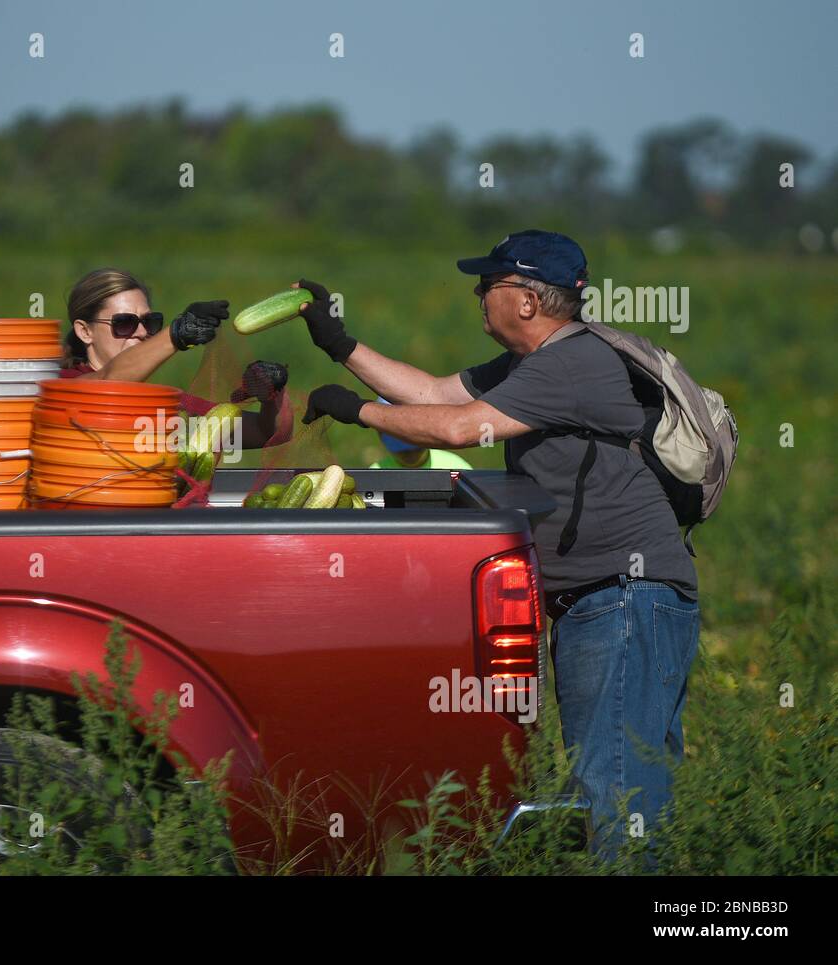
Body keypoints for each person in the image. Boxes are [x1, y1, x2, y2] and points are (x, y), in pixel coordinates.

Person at [297, 231, 699, 861]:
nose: (479, 296)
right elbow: (432, 393)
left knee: (618, 798)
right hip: (603, 599)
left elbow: (461, 427)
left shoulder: (572, 363)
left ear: (528, 301)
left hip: (624, 598)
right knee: (626, 791)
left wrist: (359, 414)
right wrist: (339, 345)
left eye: (489, 285)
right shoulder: (532, 363)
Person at [61, 267, 291, 449]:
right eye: (125, 323)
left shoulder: (164, 406)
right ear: (85, 331)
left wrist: (270, 394)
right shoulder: (60, 385)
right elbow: (101, 389)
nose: (141, 333)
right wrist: (175, 335)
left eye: (150, 322)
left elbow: (269, 433)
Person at [369, 396, 473, 470]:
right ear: (380, 434)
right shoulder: (376, 474)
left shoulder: (456, 468)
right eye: (401, 450)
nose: (410, 454)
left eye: (416, 448)